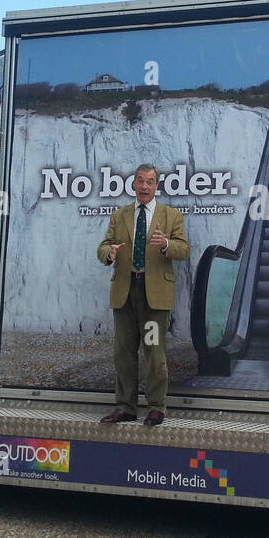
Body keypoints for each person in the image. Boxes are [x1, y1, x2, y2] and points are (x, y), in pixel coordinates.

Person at [97, 164, 190, 426]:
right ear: (134, 184)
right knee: (123, 351)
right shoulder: (120, 215)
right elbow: (104, 246)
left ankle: (156, 407)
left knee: (153, 351)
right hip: (126, 292)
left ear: (156, 186)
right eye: (140, 181)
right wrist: (110, 254)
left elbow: (184, 249)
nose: (145, 186)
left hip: (154, 295)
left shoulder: (171, 216)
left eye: (150, 182)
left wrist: (167, 245)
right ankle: (125, 406)